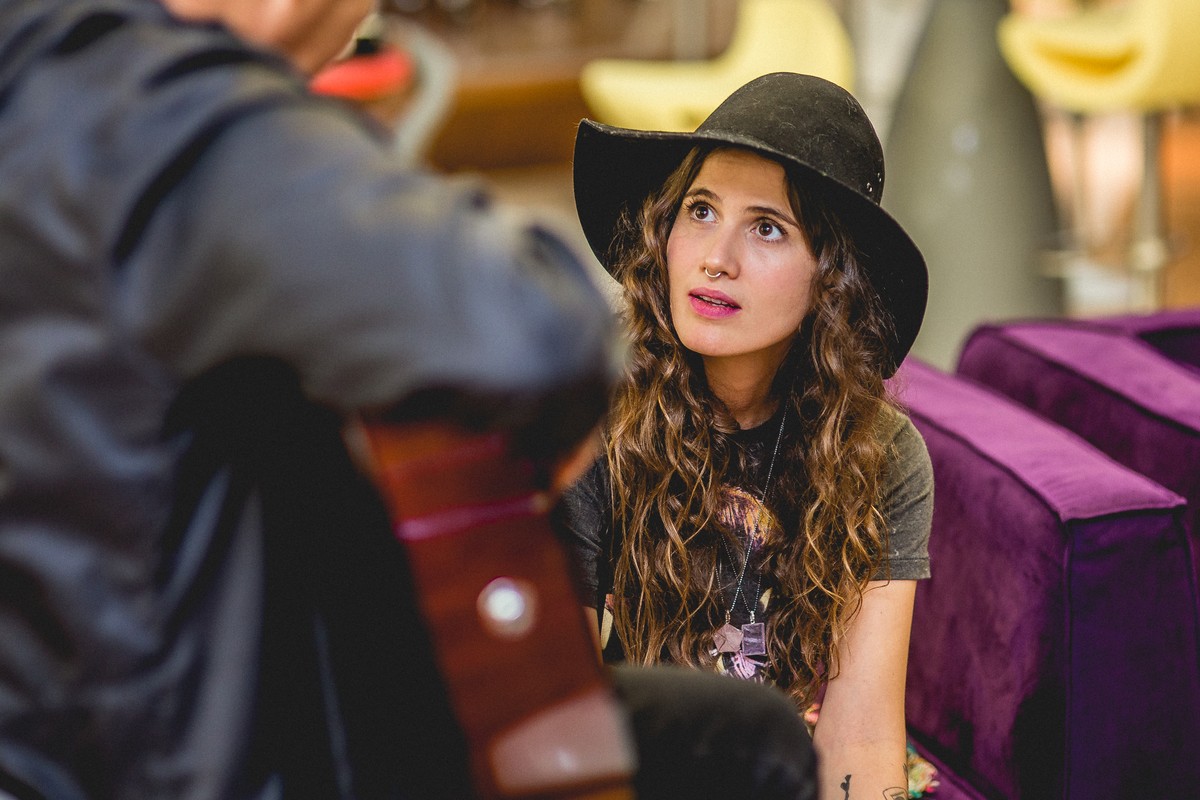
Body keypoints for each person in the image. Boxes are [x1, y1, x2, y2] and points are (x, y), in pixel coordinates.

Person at [0, 1, 819, 798]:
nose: (359, 33)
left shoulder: (38, 62)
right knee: (748, 749)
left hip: (54, 716)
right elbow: (533, 335)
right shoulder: (170, 108)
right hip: (193, 748)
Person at [556, 72, 935, 800]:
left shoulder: (884, 454)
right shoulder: (594, 417)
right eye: (700, 210)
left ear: (833, 278)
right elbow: (558, 710)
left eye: (767, 227)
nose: (716, 257)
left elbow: (859, 738)